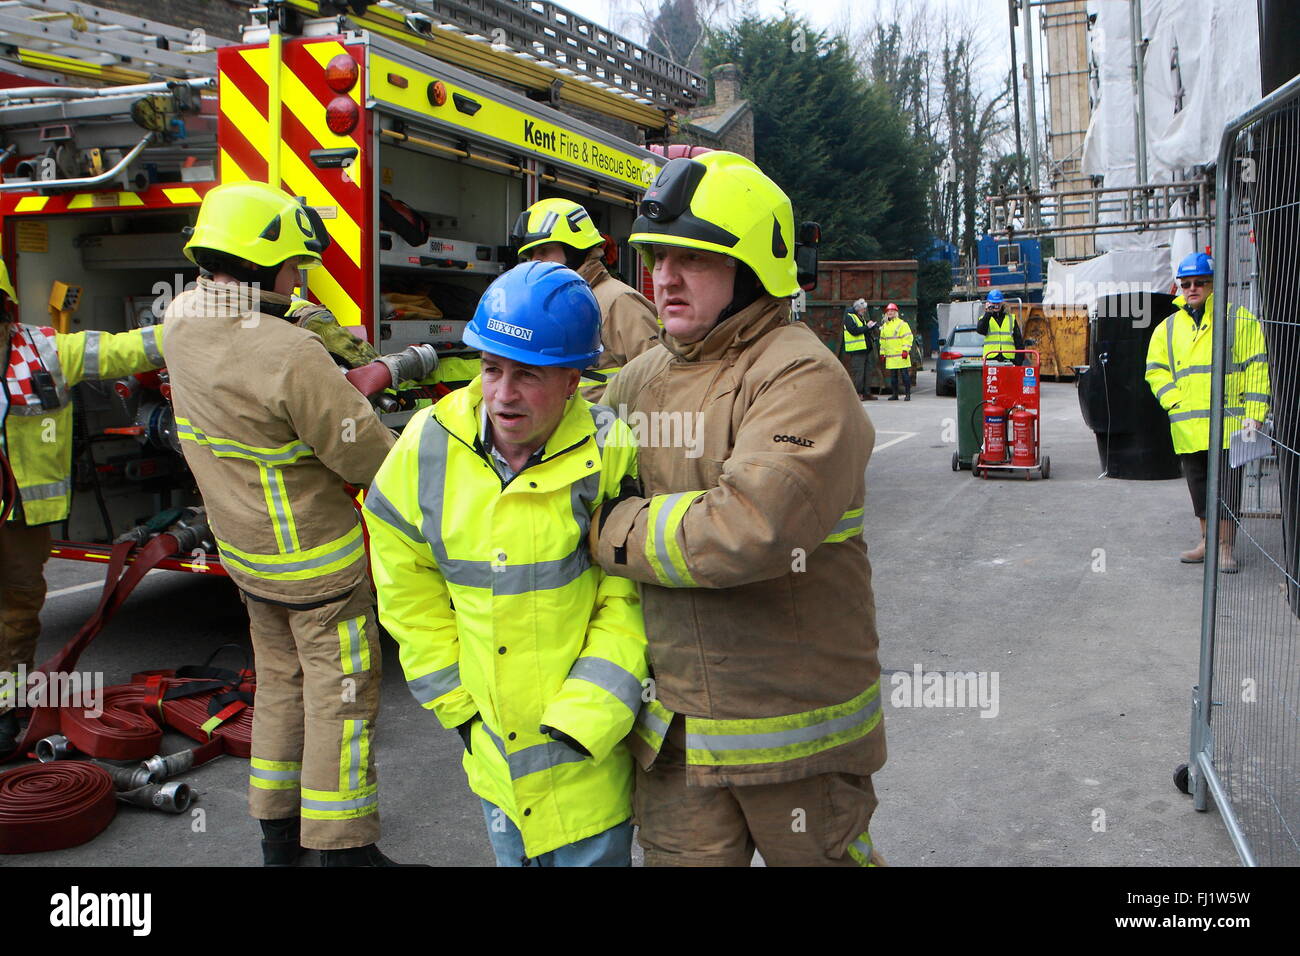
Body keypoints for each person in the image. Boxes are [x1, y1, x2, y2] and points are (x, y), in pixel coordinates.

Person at [592, 150, 886, 867]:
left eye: (690, 257)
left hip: (793, 735)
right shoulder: (640, 378)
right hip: (674, 734)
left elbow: (748, 530)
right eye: (657, 256)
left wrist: (605, 529)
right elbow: (564, 473)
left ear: (750, 267)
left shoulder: (799, 373)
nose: (663, 277)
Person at [163, 180, 424, 866]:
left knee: (279, 688)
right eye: (293, 266)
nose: (298, 277)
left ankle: (278, 839)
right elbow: (363, 454)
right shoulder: (287, 353)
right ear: (261, 265)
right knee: (341, 697)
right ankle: (343, 849)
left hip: (248, 561)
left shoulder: (182, 317)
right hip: (317, 565)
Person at [363, 261, 648, 867]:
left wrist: (589, 716)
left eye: (529, 375)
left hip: (588, 764)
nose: (503, 394)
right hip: (493, 763)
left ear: (574, 381)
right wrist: (460, 710)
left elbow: (630, 599)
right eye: (492, 369)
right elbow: (406, 590)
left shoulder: (611, 452)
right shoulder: (428, 445)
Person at [0, 260, 166, 754]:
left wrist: (200, 321)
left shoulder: (45, 349)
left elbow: (124, 350)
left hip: (19, 518)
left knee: (16, 611)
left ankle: (7, 708)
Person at [1146, 252, 1270, 573]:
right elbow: (1155, 369)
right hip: (1189, 426)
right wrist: (1174, 402)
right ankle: (1207, 542)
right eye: (1186, 284)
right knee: (1199, 487)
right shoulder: (1168, 328)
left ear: (1213, 284)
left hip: (1229, 423)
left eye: (1200, 282)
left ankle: (1225, 547)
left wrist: (1254, 413)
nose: (1192, 288)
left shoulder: (1237, 320)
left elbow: (1256, 365)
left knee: (1228, 487)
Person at [512, 197, 659, 402]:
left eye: (544, 251)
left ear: (574, 250)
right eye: (531, 256)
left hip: (608, 430)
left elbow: (657, 384)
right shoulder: (553, 306)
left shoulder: (619, 301)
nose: (535, 262)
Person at [977, 289, 1024, 365]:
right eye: (993, 303)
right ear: (988, 303)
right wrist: (988, 313)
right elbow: (980, 330)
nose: (996, 305)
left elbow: (1018, 341)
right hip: (990, 359)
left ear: (1002, 302)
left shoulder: (1011, 318)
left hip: (1009, 360)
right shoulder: (985, 318)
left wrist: (1018, 361)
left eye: (998, 303)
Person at [842, 298, 877, 400]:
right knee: (859, 373)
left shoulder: (859, 316)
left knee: (867, 372)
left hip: (865, 349)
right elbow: (854, 331)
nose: (865, 310)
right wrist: (867, 327)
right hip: (857, 350)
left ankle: (866, 393)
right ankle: (858, 393)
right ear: (858, 309)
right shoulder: (850, 317)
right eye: (863, 309)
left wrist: (870, 326)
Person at [879, 302, 913, 400]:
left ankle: (907, 394)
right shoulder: (885, 326)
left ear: (896, 313)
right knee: (893, 377)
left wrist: (905, 350)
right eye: (888, 311)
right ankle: (895, 394)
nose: (890, 313)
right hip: (891, 356)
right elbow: (883, 341)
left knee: (904, 375)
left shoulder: (902, 324)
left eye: (892, 311)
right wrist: (882, 353)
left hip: (901, 355)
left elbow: (908, 338)